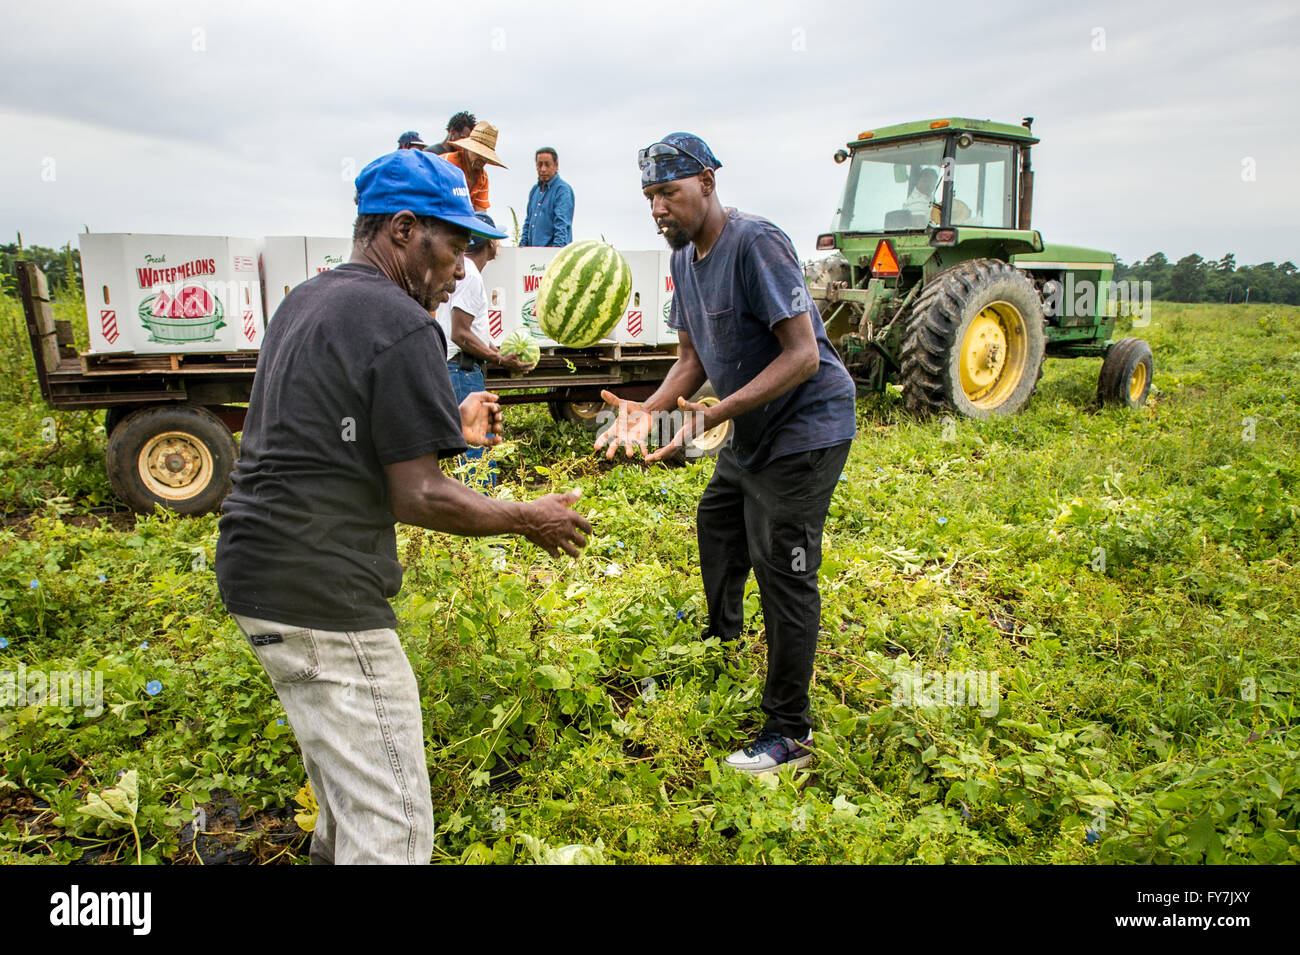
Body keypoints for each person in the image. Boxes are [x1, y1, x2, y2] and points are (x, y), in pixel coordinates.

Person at [214, 149, 591, 864]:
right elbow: (416, 494)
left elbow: (333, 433)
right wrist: (528, 515)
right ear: (404, 229)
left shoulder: (307, 300)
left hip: (255, 574)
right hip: (322, 593)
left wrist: (451, 428)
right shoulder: (403, 321)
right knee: (394, 826)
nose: (460, 267)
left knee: (345, 795)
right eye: (455, 244)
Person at [596, 132, 856, 775]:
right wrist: (650, 410)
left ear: (707, 184)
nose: (658, 207)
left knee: (783, 565)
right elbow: (691, 359)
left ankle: (790, 731)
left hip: (807, 426)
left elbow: (803, 356)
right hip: (752, 427)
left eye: (669, 192)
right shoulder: (684, 258)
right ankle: (722, 642)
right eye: (650, 196)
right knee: (717, 522)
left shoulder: (755, 242)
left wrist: (714, 414)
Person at [434, 211, 536, 487]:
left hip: (457, 370)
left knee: (470, 449)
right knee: (478, 451)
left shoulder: (463, 271)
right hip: (463, 373)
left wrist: (495, 351)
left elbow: (469, 330)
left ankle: (471, 504)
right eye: (496, 239)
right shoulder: (470, 275)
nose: (498, 245)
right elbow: (460, 333)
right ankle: (482, 504)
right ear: (489, 243)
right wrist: (500, 360)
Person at [438, 121, 505, 212]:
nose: (482, 159)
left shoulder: (482, 177)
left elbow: (480, 212)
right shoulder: (446, 164)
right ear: (468, 149)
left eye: (486, 156)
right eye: (478, 153)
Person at [520, 147, 574, 247]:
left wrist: (555, 252)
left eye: (547, 164)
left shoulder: (562, 190)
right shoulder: (535, 190)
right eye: (539, 165)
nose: (543, 169)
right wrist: (522, 247)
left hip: (552, 252)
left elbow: (562, 226)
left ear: (556, 165)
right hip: (532, 252)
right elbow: (528, 223)